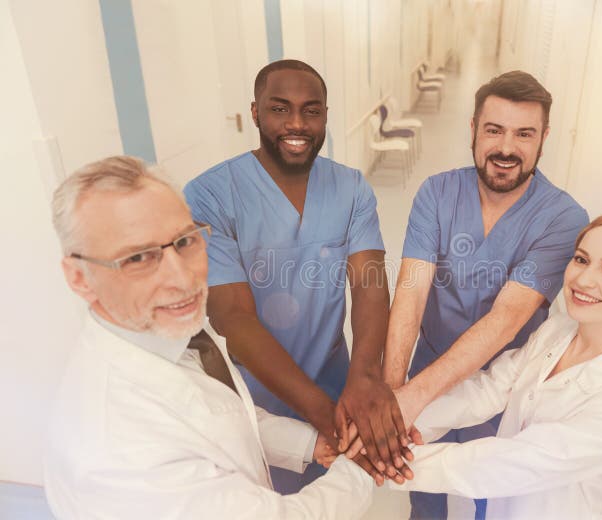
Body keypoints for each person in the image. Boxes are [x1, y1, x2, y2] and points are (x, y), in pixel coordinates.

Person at [43, 156, 377, 519]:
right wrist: (360, 466)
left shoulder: (163, 332)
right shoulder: (119, 455)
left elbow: (223, 417)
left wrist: (311, 443)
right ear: (79, 277)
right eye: (138, 258)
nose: (183, 278)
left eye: (185, 240)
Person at [370, 70, 589, 518]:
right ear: (473, 129)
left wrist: (410, 399)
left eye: (524, 134)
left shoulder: (563, 217)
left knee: (492, 498)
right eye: (494, 130)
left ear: (544, 138)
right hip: (428, 364)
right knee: (420, 486)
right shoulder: (437, 193)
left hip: (504, 382)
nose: (506, 148)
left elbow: (506, 320)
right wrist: (394, 393)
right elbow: (411, 292)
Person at [183, 59, 410, 492]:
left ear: (325, 115)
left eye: (311, 110)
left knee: (337, 501)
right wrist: (327, 415)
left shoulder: (351, 188)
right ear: (255, 113)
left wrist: (363, 377)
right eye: (279, 108)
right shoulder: (210, 194)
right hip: (257, 396)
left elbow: (368, 282)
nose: (297, 123)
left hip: (337, 377)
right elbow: (232, 316)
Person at [390, 210, 602, 520]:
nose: (583, 279)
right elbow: (489, 390)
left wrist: (391, 462)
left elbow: (511, 464)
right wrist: (398, 426)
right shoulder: (559, 329)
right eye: (581, 259)